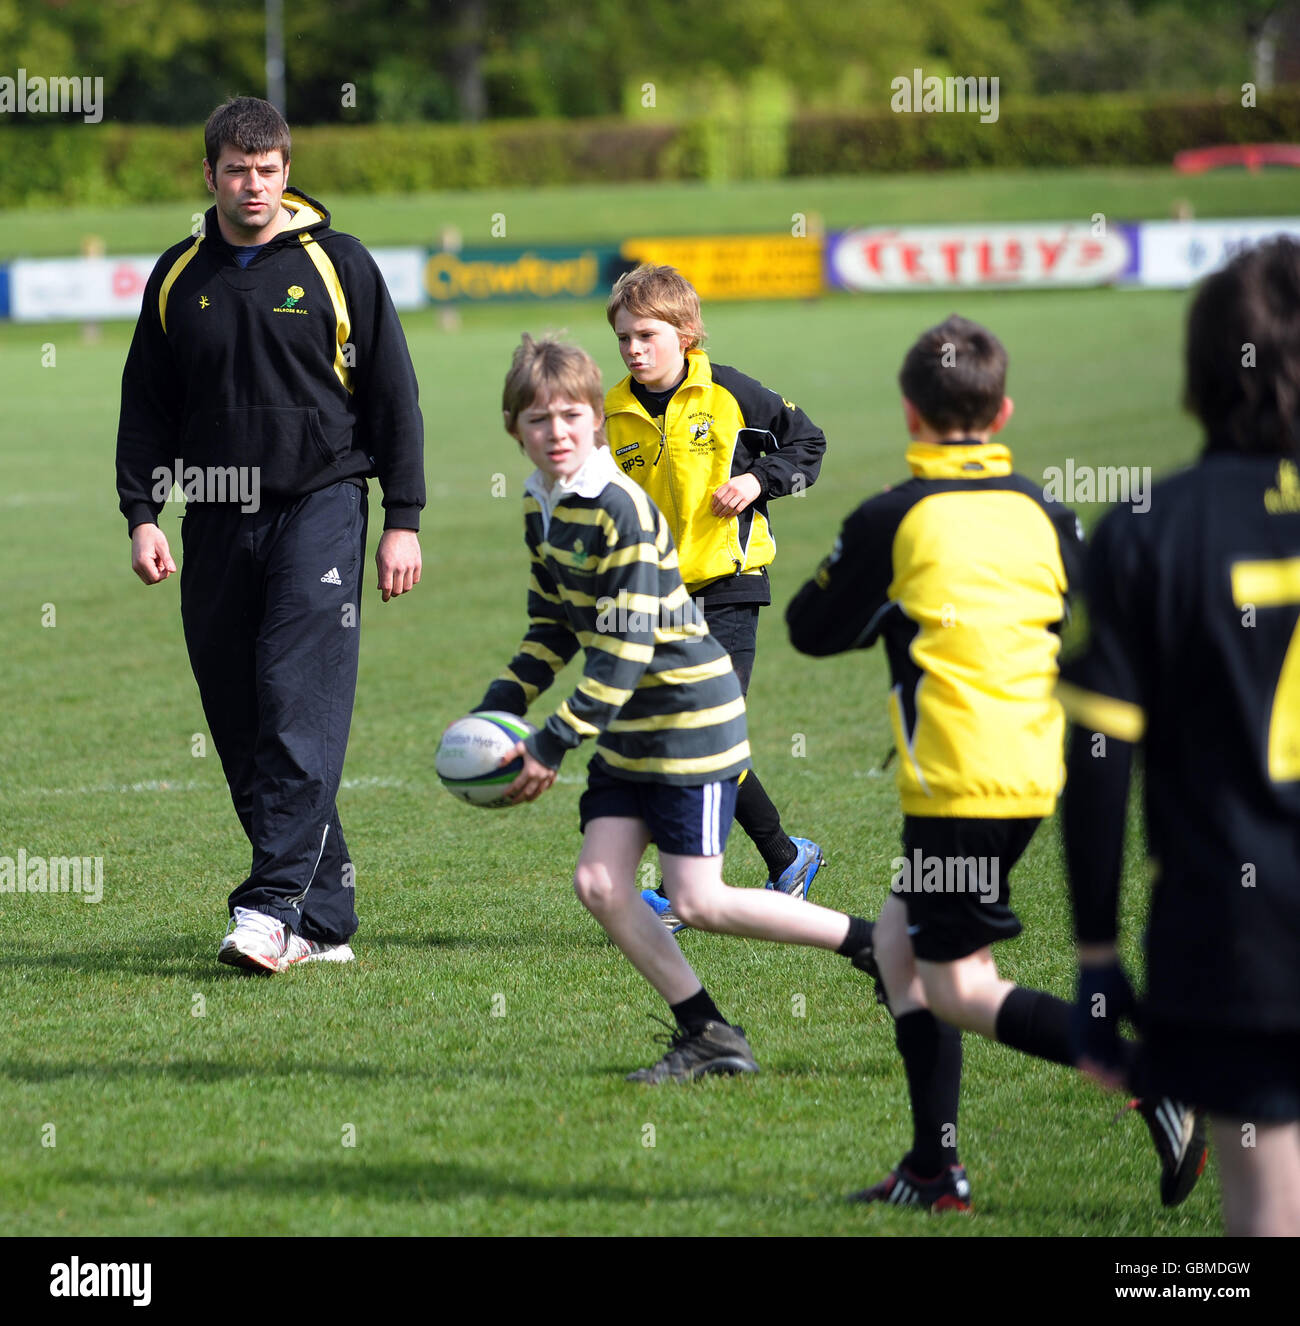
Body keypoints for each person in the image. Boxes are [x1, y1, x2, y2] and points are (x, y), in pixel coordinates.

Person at [787, 314, 1203, 1211]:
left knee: (957, 983)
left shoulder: (893, 518)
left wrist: (893, 604)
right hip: (1038, 769)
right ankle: (934, 1172)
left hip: (959, 785)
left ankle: (1149, 1076)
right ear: (1003, 409)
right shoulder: (1047, 514)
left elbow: (810, 630)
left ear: (909, 414)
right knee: (897, 946)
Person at [472, 334, 875, 1082]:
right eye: (536, 420)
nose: (554, 433)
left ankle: (873, 944)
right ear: (514, 429)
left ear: (597, 420)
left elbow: (625, 646)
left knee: (700, 898)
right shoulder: (542, 503)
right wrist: (501, 701)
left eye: (569, 416)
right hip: (630, 726)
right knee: (599, 884)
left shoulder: (620, 507)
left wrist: (553, 742)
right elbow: (555, 623)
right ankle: (709, 1033)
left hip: (690, 716)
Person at [115, 96, 424, 973]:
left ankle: (270, 908)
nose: (255, 186)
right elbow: (148, 407)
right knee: (241, 718)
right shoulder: (178, 276)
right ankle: (323, 914)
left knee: (296, 699)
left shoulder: (340, 264)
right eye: (238, 171)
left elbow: (393, 396)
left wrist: (401, 519)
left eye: (270, 170)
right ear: (208, 174)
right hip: (212, 515)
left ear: (288, 172)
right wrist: (142, 512)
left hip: (319, 505)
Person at [1061, 237, 1300, 1236]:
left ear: (1199, 373)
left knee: (1264, 1197)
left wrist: (1094, 951)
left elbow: (1097, 757)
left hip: (1237, 942)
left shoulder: (1145, 528)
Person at [603, 265, 826, 931]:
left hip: (730, 587)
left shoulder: (731, 392)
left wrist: (760, 482)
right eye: (622, 338)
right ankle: (786, 858)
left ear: (686, 333)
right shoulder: (612, 412)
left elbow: (808, 442)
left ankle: (684, 891)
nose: (634, 349)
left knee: (702, 731)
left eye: (647, 334)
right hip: (656, 598)